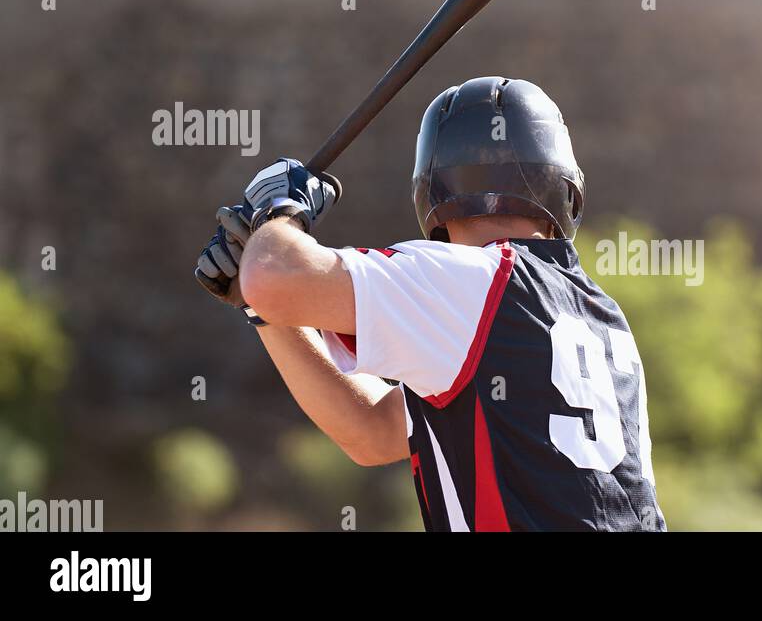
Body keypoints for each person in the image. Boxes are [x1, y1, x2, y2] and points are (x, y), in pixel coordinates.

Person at [194, 77, 664, 532]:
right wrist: (263, 311)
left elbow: (277, 276)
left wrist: (278, 211)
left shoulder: (471, 281)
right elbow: (371, 431)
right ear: (564, 189)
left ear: (433, 191)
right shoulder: (599, 313)